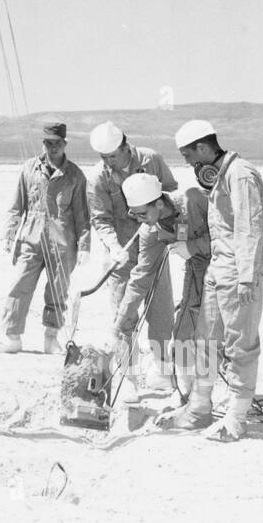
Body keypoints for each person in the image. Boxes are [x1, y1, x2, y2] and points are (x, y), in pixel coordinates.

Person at [156, 119, 263, 442]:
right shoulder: (218, 180)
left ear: (204, 147)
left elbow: (250, 227)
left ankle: (235, 418)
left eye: (189, 156)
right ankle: (198, 408)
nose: (190, 164)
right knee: (205, 339)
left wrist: (248, 279)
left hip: (239, 272)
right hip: (218, 269)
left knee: (240, 345)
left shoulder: (241, 175)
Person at [86, 121, 178, 385]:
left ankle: (161, 369)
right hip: (121, 255)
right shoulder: (98, 177)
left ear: (126, 147)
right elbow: (100, 219)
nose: (110, 162)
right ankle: (130, 378)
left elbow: (171, 191)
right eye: (104, 158)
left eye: (113, 156)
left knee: (161, 309)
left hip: (154, 246)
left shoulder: (151, 159)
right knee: (124, 313)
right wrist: (114, 247)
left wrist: (157, 218)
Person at [116, 172, 211, 407]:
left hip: (228, 267)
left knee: (222, 332)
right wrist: (124, 315)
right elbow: (142, 275)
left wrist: (194, 245)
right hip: (197, 267)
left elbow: (230, 236)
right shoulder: (151, 229)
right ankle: (189, 395)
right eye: (134, 215)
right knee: (183, 333)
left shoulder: (195, 202)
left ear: (159, 204)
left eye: (142, 214)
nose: (140, 221)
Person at [0, 122, 91, 354]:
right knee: (20, 284)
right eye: (48, 143)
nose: (53, 148)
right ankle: (12, 337)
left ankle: (51, 338)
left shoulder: (75, 175)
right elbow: (16, 206)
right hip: (31, 238)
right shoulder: (29, 168)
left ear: (65, 144)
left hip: (62, 243)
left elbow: (82, 215)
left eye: (57, 143)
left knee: (58, 290)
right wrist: (10, 234)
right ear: (43, 143)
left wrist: (84, 246)